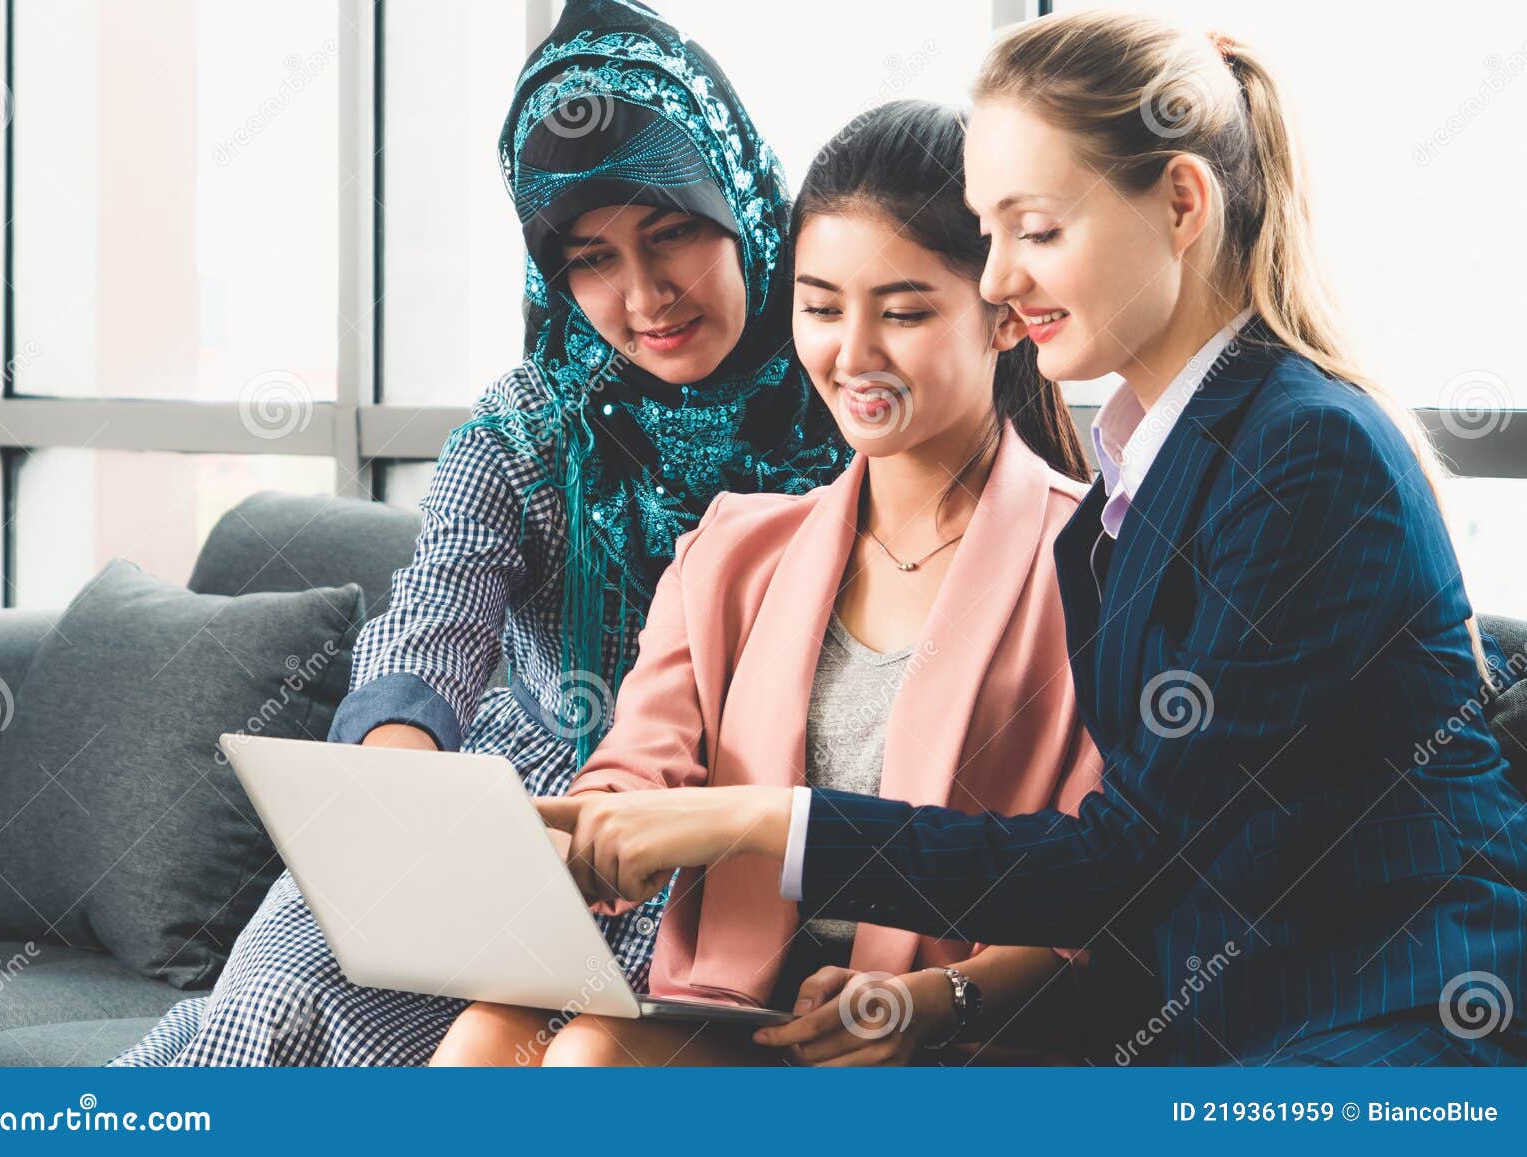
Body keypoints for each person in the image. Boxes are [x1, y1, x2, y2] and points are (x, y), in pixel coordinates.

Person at [535, 12, 1527, 1067]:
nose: (1000, 280)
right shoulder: (1148, 479)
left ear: (1181, 204)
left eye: (1036, 232)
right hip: (1238, 1033)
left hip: (1383, 1022)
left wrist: (766, 826)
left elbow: (1124, 862)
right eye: (988, 233)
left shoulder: (1303, 453)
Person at [107, 0, 846, 1067]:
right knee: (270, 1011)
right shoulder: (529, 429)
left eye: (672, 232)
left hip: (718, 853)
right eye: (591, 258)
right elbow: (430, 621)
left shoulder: (851, 415)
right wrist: (404, 797)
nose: (644, 295)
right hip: (507, 824)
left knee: (540, 1057)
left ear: (737, 202)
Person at [430, 100, 1102, 1067]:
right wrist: (572, 834)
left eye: (903, 312)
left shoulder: (1095, 560)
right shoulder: (736, 549)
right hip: (744, 1008)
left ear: (1004, 314)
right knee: (487, 1034)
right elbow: (639, 767)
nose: (853, 354)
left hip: (952, 1029)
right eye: (821, 308)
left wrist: (930, 998)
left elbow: (1102, 884)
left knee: (587, 1060)